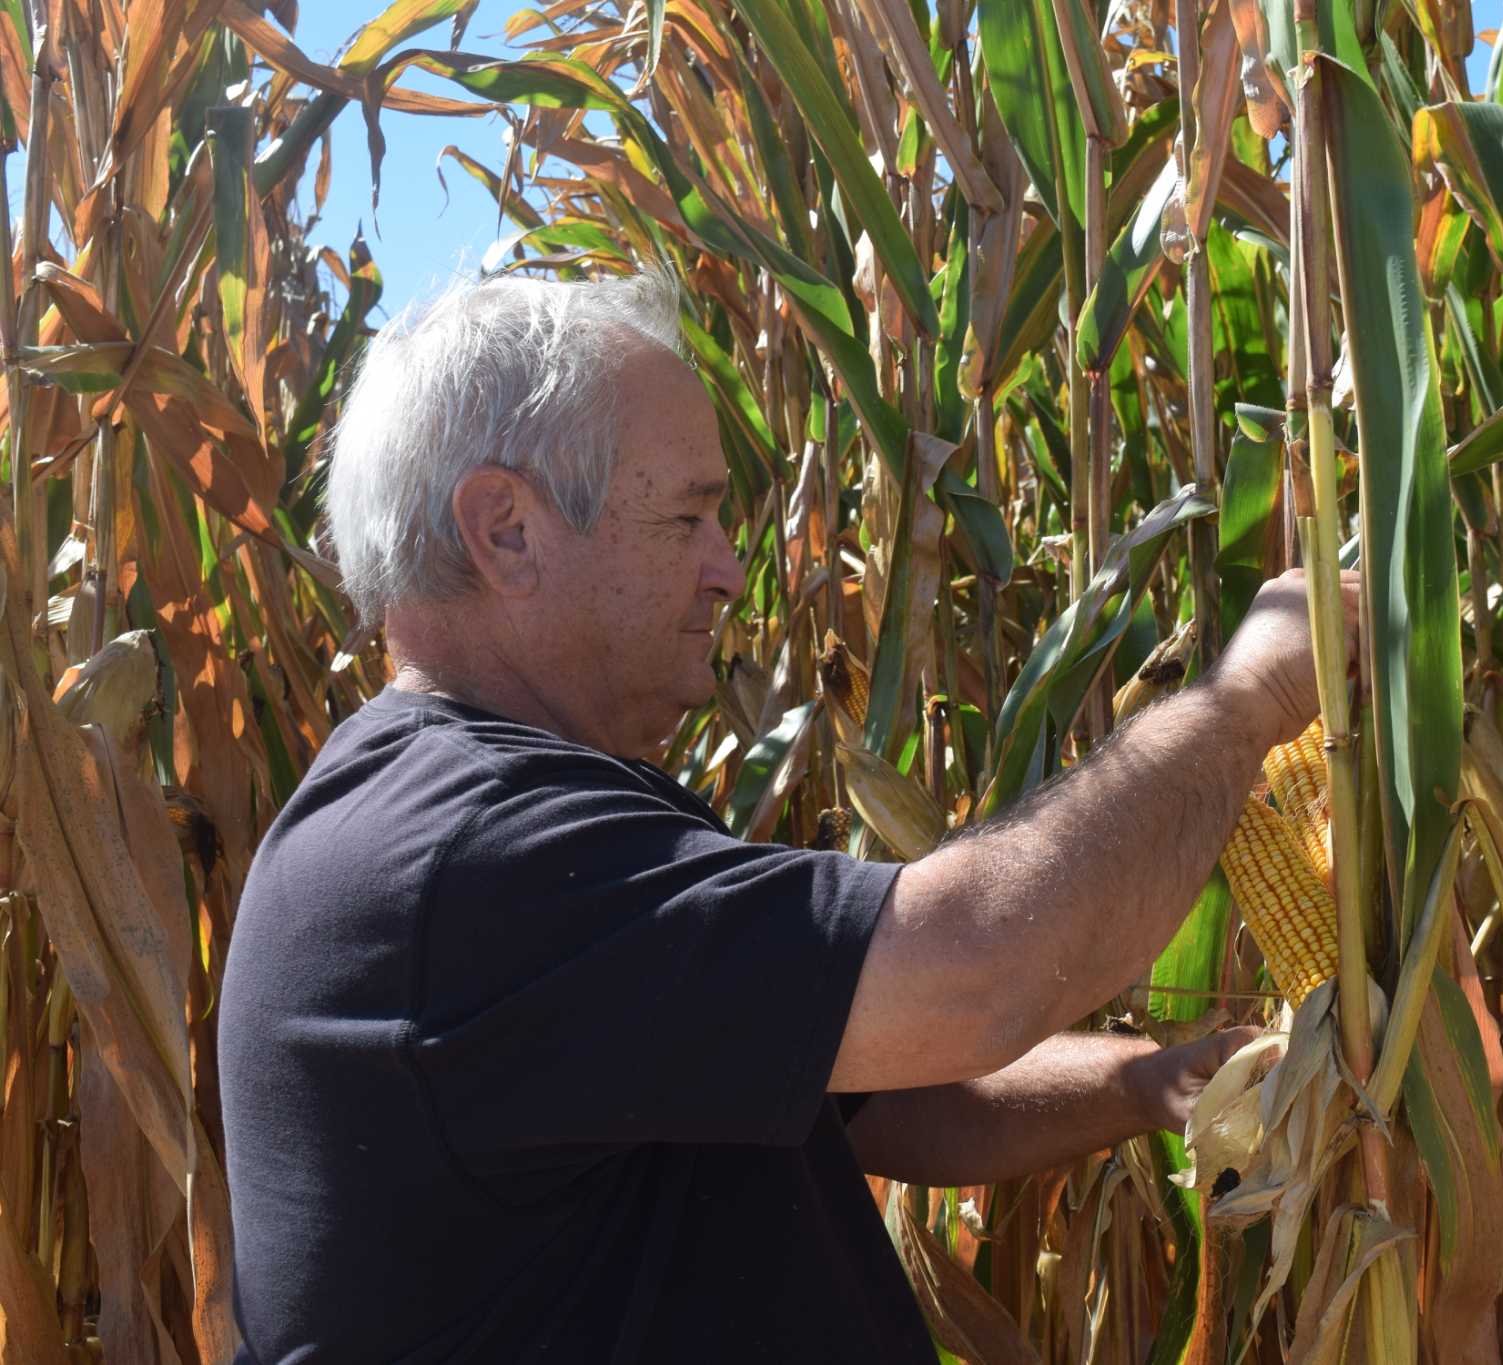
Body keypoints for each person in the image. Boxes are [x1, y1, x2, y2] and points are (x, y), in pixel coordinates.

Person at [218, 269, 1361, 1362]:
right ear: (505, 530)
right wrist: (1243, 699)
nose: (727, 570)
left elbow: (887, 1096)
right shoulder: (464, 854)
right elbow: (974, 969)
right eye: (685, 520)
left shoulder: (510, 816)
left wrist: (1143, 1082)